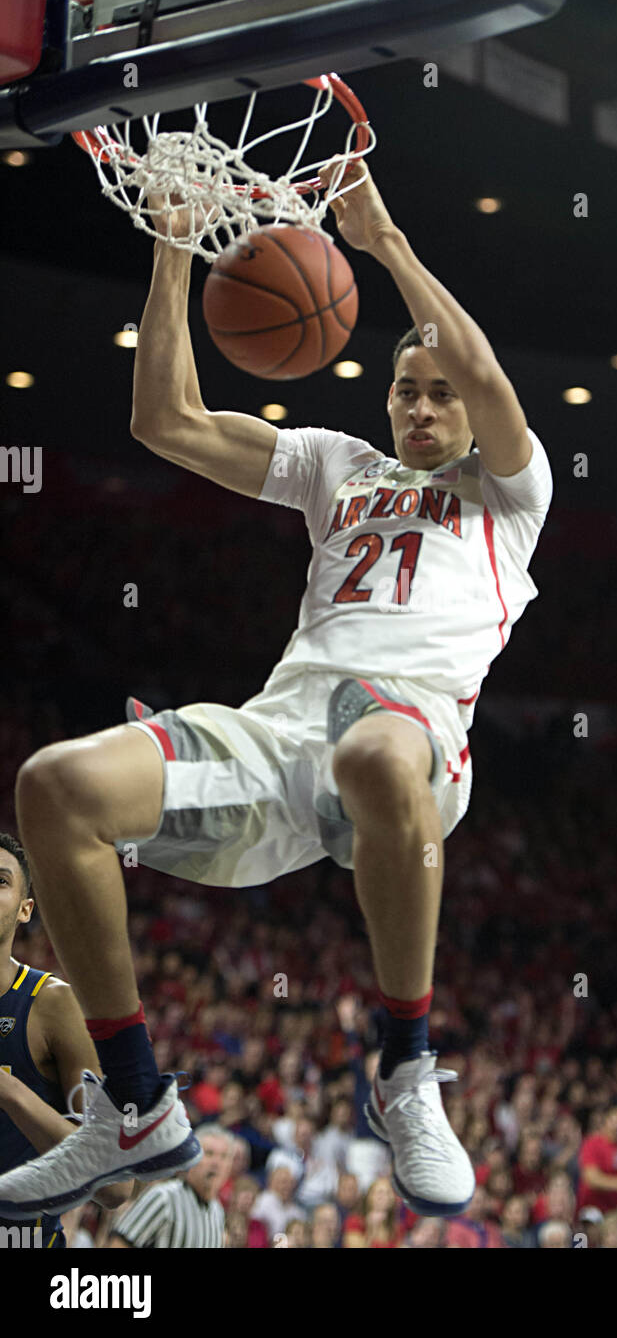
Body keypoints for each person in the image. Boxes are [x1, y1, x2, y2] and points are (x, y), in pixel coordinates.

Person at [0, 156, 553, 1223]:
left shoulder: (510, 491)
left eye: (441, 391)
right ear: (383, 402)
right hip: (279, 735)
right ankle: (135, 1100)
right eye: (406, 388)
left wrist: (384, 242)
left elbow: (480, 368)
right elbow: (165, 419)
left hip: (415, 738)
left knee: (373, 748)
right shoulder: (338, 466)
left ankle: (402, 1066)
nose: (425, 403)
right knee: (54, 786)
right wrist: (172, 243)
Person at [0, 833, 131, 1248]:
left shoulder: (53, 1006)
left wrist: (10, 1091)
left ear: (25, 910)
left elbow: (115, 1185)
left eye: (0, 881)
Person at [107, 1123, 232, 1248]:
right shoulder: (163, 1197)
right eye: (209, 1154)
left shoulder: (217, 1212)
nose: (217, 1163)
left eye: (224, 1157)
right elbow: (119, 1244)